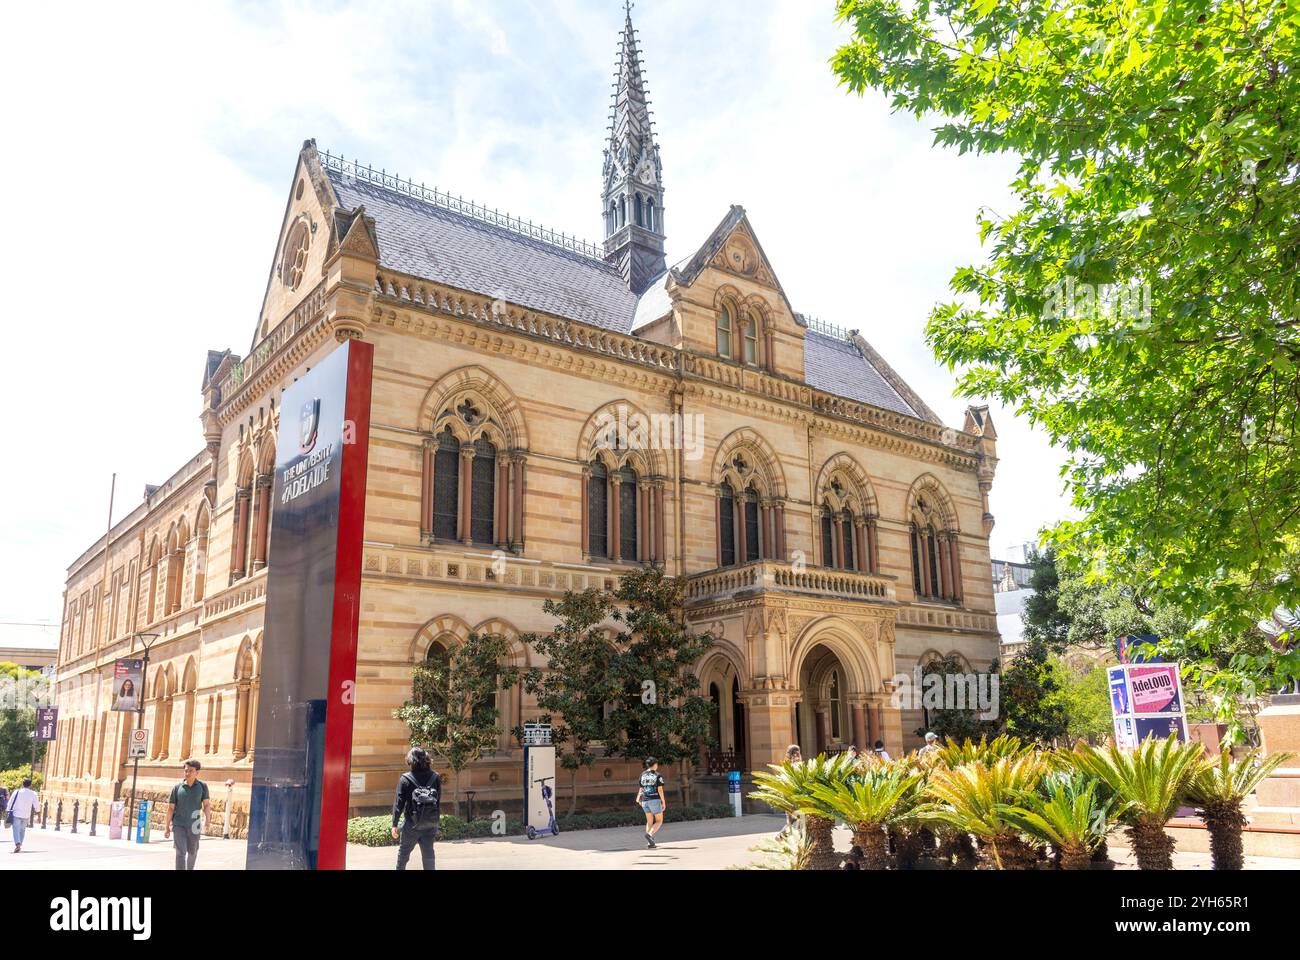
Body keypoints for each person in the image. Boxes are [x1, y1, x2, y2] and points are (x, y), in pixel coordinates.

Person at [391, 746, 441, 870]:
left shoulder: (405, 779)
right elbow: (438, 801)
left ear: (410, 761)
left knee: (403, 855)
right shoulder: (435, 777)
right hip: (430, 824)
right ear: (427, 759)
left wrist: (394, 824)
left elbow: (399, 804)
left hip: (410, 825)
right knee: (429, 856)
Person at [164, 759, 210, 870]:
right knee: (181, 852)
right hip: (179, 824)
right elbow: (171, 808)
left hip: (195, 824)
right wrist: (167, 827)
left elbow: (206, 805)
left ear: (197, 772)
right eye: (186, 771)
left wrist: (207, 821)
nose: (187, 773)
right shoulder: (177, 788)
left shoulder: (202, 787)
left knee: (193, 851)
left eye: (190, 771)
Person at [637, 757, 666, 848]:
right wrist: (663, 802)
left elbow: (641, 788)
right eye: (656, 764)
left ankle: (650, 843)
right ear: (654, 764)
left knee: (649, 821)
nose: (657, 765)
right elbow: (660, 790)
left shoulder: (642, 774)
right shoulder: (658, 775)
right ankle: (649, 835)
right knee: (659, 821)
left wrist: (638, 798)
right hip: (654, 799)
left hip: (644, 801)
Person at [6, 778, 40, 853]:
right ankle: (20, 844)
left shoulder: (17, 792)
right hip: (26, 815)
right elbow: (36, 805)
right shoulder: (33, 793)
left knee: (16, 829)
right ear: (30, 785)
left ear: (22, 784)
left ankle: (17, 844)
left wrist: (7, 810)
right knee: (22, 830)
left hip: (16, 814)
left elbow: (10, 802)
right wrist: (38, 813)